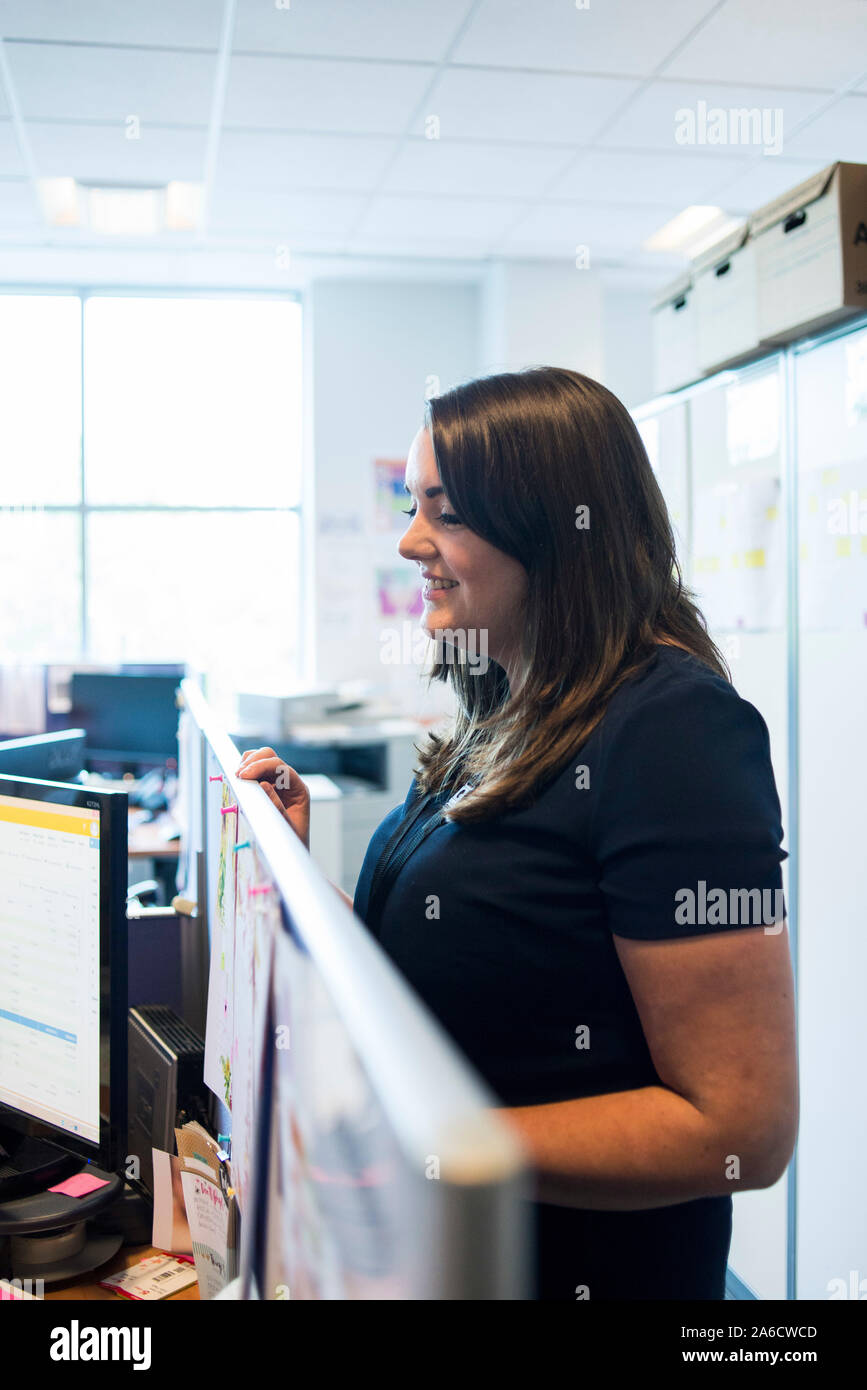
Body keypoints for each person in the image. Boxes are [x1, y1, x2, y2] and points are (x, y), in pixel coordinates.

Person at [238, 366, 798, 1301]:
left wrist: (422, 1146)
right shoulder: (512, 696)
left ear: (552, 529)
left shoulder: (672, 730)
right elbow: (462, 962)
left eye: (445, 513)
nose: (410, 540)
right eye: (413, 504)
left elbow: (738, 1128)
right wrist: (297, 877)